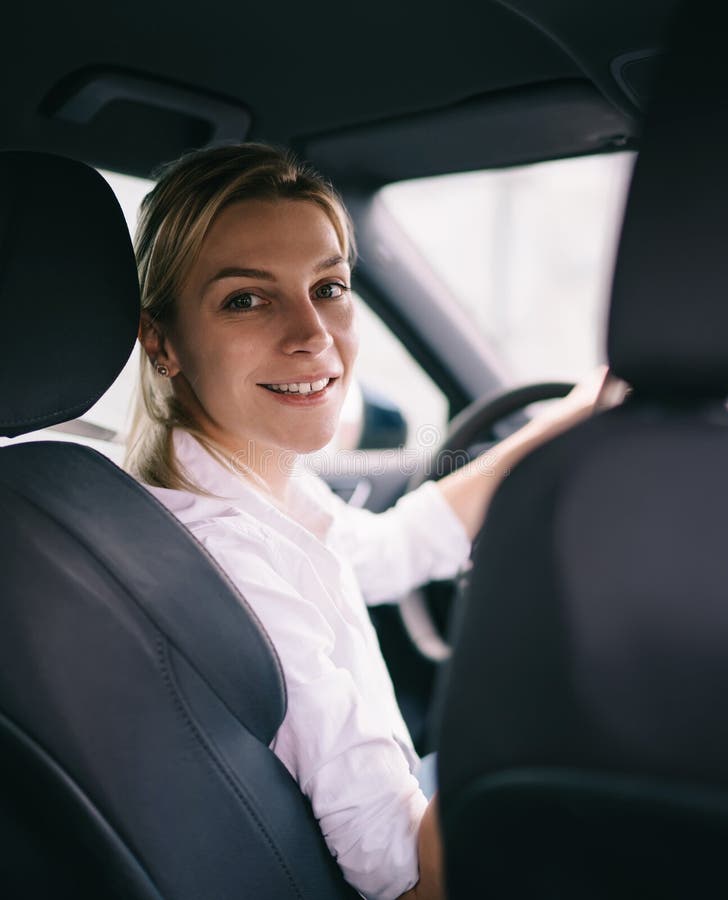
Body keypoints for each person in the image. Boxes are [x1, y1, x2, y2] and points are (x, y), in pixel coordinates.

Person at [126, 142, 620, 900]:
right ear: (161, 342)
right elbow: (411, 877)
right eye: (247, 299)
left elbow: (390, 549)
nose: (313, 334)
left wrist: (576, 415)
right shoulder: (230, 564)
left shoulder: (242, 491)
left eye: (328, 286)